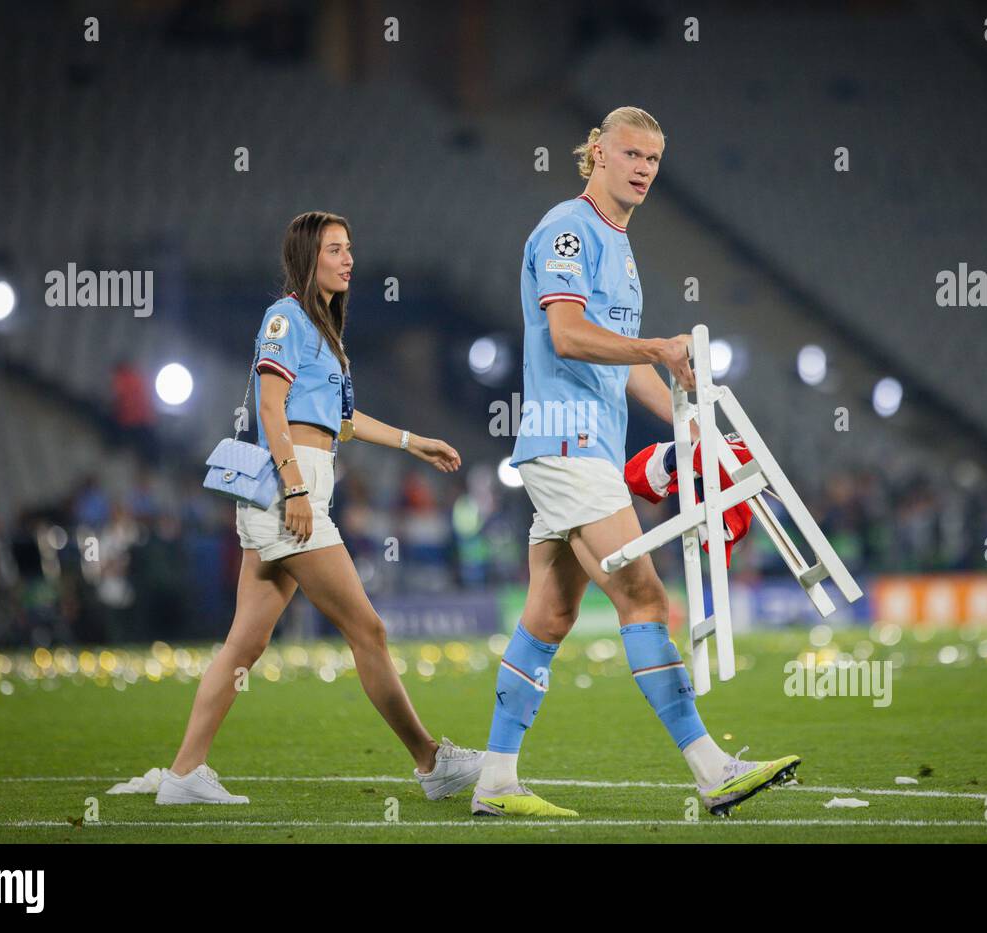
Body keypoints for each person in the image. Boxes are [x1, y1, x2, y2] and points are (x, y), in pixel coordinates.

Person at [472, 107, 799, 818]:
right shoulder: (569, 227)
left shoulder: (618, 245)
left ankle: (495, 777)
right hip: (566, 445)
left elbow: (621, 365)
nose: (644, 167)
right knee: (646, 598)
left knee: (551, 614)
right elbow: (566, 335)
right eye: (631, 153)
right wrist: (655, 346)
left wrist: (689, 410)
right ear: (596, 153)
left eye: (654, 157)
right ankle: (712, 770)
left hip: (580, 444)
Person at [156, 211, 483, 805]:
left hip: (300, 487)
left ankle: (184, 774)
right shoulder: (286, 317)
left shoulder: (320, 327)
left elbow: (344, 422)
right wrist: (296, 489)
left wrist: (415, 442)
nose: (349, 259)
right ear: (309, 259)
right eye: (336, 249)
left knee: (243, 646)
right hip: (292, 490)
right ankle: (432, 762)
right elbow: (271, 407)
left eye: (350, 248)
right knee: (369, 629)